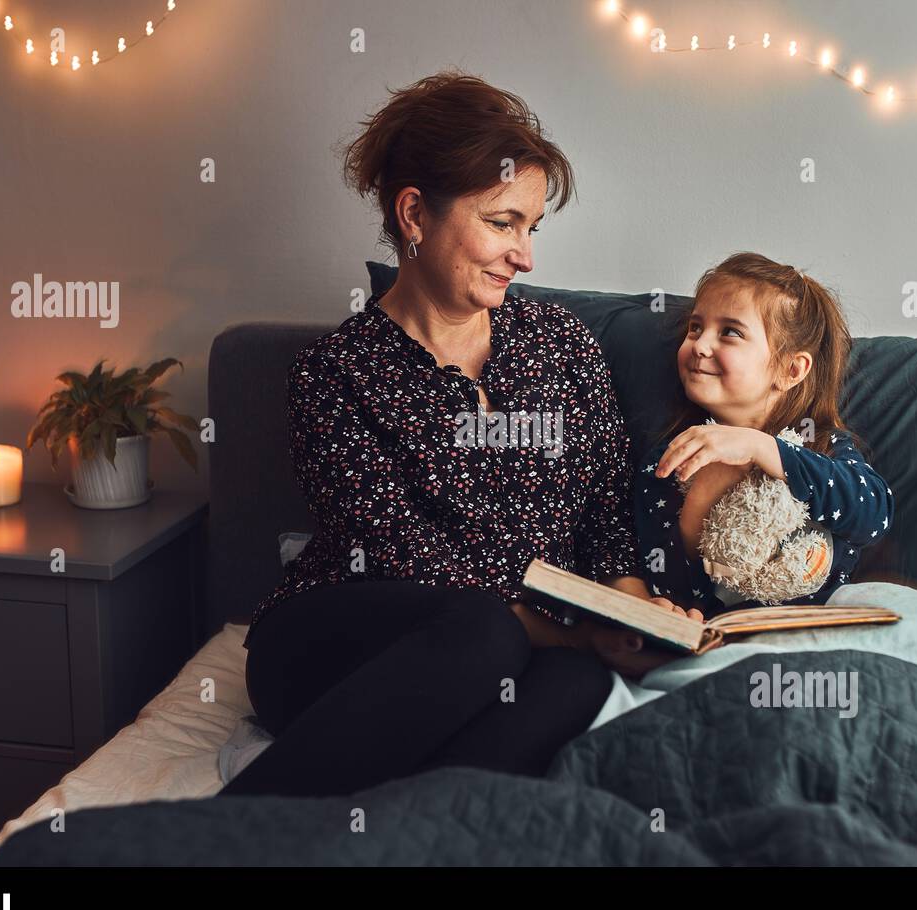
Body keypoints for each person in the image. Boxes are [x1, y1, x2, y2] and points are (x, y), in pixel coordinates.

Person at [218, 72, 691, 801]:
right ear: (414, 214)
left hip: (525, 646)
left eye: (532, 228)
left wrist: (632, 613)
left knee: (578, 681)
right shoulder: (336, 374)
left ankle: (390, 834)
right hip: (339, 646)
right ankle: (233, 831)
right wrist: (577, 628)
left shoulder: (561, 343)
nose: (526, 256)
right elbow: (414, 560)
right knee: (486, 632)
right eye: (503, 223)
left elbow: (603, 512)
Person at [632, 252, 895, 617]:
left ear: (790, 369)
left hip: (806, 628)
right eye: (695, 327)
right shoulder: (669, 460)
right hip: (721, 632)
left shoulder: (821, 444)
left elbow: (874, 514)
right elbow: (662, 570)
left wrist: (761, 447)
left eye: (730, 332)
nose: (700, 345)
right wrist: (673, 610)